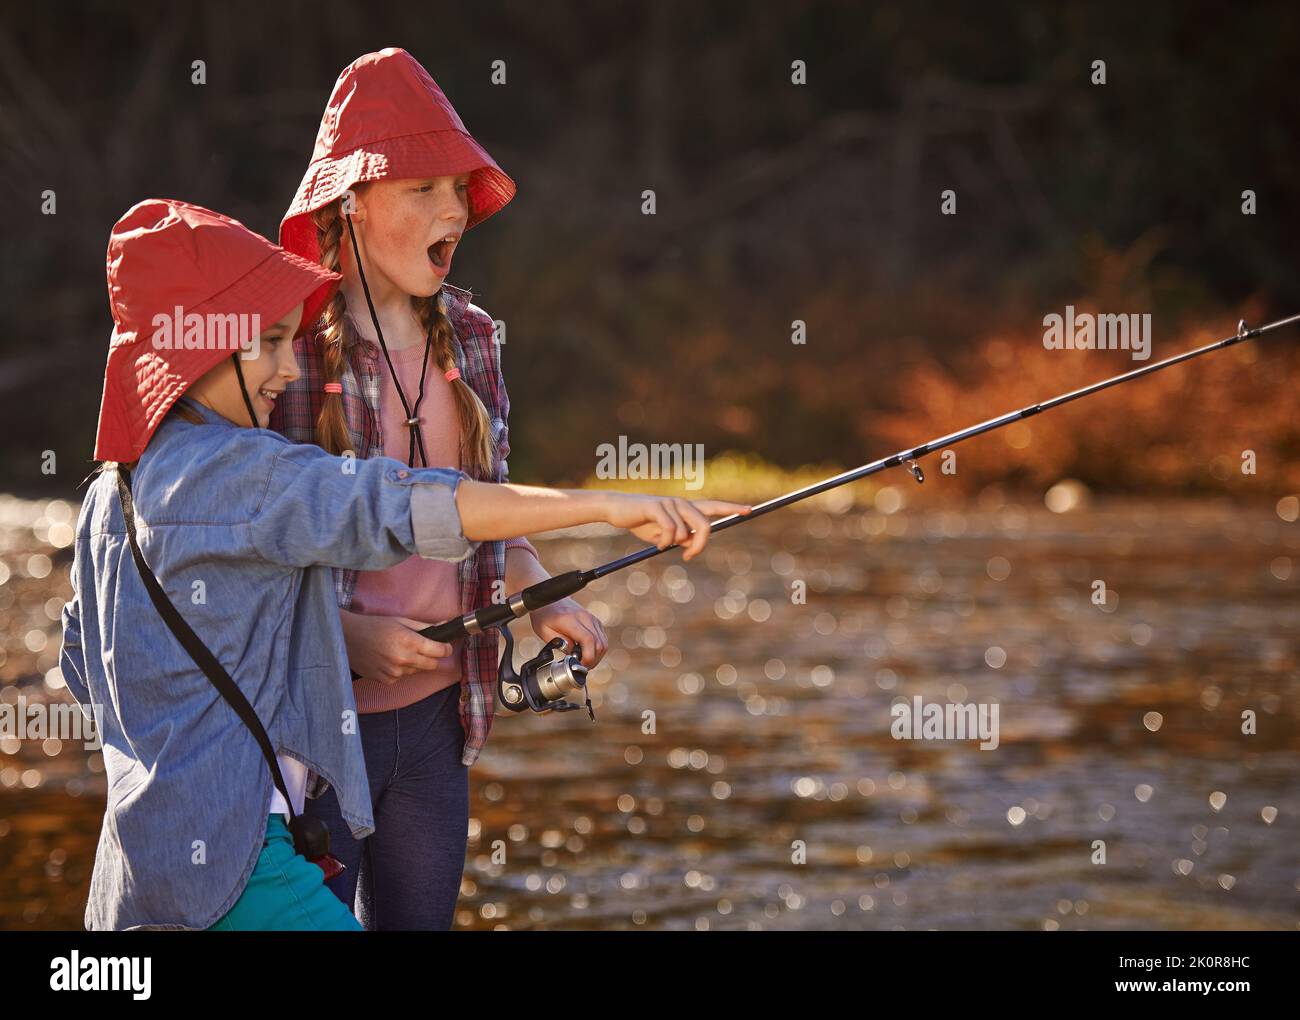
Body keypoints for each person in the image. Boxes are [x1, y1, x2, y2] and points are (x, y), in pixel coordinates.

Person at [59, 197, 750, 930]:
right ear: (195, 348)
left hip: (136, 872)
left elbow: (87, 663)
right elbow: (408, 504)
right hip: (238, 872)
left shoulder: (113, 488)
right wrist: (605, 506)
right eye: (265, 342)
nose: (287, 368)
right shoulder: (244, 471)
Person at [271, 47, 615, 928]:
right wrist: (345, 635)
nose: (452, 210)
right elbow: (243, 550)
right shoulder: (283, 347)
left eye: (458, 189)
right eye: (422, 189)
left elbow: (493, 515)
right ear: (350, 201)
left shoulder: (475, 335)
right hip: (310, 727)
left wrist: (544, 599)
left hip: (437, 725)